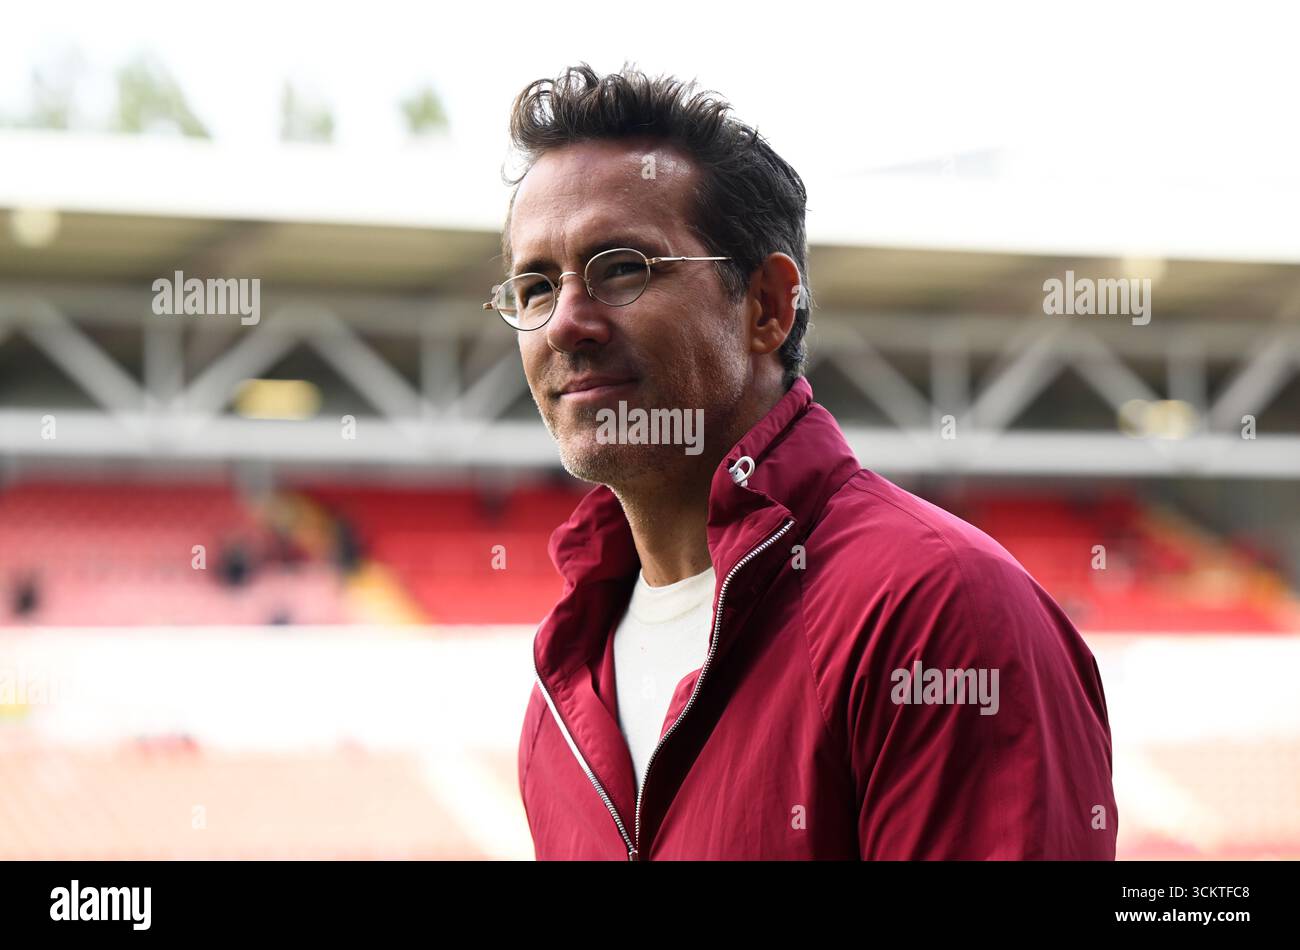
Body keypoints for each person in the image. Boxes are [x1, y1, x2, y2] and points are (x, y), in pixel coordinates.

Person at [495, 63, 1117, 860]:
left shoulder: (936, 610)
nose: (564, 323)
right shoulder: (563, 682)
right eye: (535, 286)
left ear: (765, 306)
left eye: (623, 268)